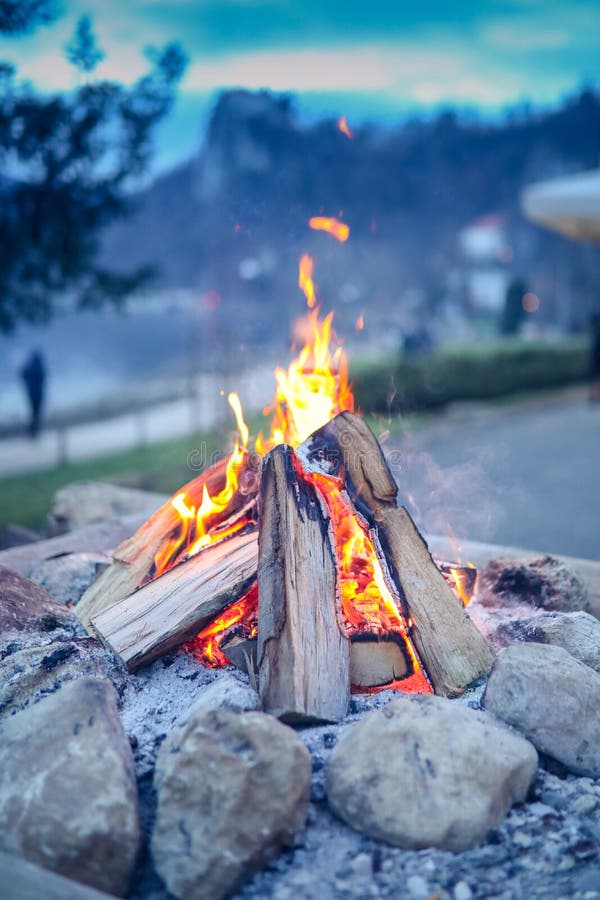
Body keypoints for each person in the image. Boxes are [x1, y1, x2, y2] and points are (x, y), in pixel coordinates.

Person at [20, 350, 46, 438]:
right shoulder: (39, 367)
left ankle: (32, 432)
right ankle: (33, 432)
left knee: (33, 414)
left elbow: (22, 375)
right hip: (38, 395)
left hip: (31, 394)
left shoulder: (30, 368)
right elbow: (43, 379)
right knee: (36, 414)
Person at [590, 313, 600, 403]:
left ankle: (595, 396)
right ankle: (594, 396)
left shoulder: (596, 335)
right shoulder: (596, 335)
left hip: (596, 360)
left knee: (595, 379)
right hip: (597, 360)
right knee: (596, 379)